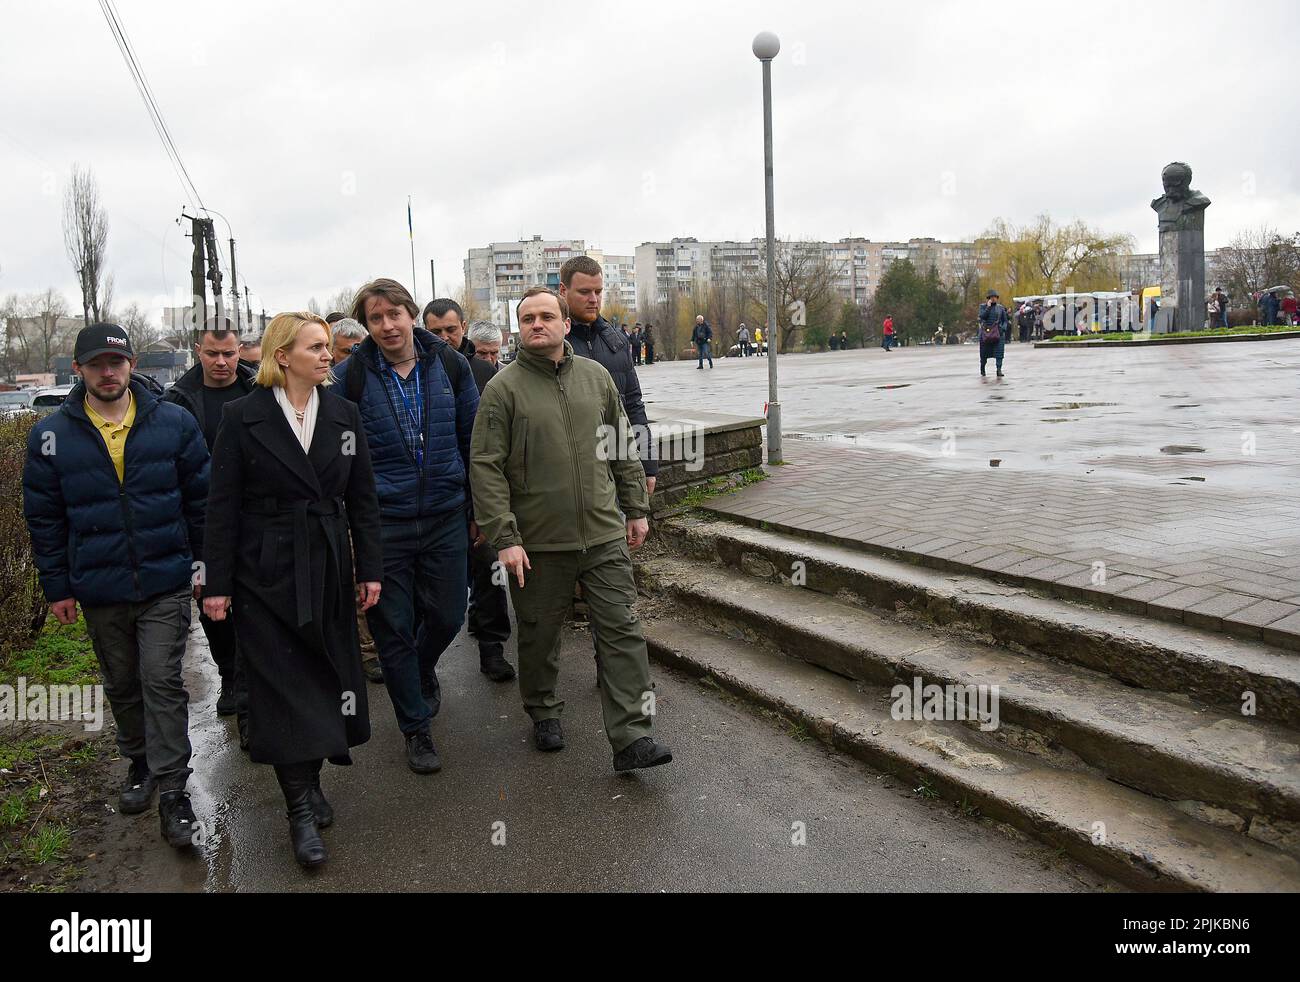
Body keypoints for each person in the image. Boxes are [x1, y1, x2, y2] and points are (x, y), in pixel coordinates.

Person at [203, 312, 383, 869]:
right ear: (283, 356)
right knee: (281, 686)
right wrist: (217, 583)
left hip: (327, 564)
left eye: (329, 346)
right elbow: (221, 505)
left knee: (326, 678)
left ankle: (311, 777)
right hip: (265, 571)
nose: (328, 355)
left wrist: (369, 569)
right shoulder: (243, 416)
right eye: (316, 347)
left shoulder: (344, 414)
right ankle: (299, 808)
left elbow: (364, 501)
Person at [470, 287, 673, 772]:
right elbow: (485, 466)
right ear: (517, 328)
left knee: (622, 629)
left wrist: (636, 508)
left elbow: (622, 446)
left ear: (564, 323)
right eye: (526, 318)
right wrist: (506, 538)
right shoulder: (503, 389)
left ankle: (631, 738)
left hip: (602, 534)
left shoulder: (597, 378)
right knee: (540, 635)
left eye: (545, 316)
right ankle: (542, 709)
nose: (536, 324)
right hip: (538, 543)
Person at [23, 324, 209, 850]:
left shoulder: (172, 422)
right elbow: (45, 517)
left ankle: (174, 789)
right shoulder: (52, 436)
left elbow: (202, 500)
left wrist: (204, 567)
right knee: (123, 682)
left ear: (131, 366)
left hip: (164, 580)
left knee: (161, 679)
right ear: (78, 370)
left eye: (117, 362)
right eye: (97, 364)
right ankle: (139, 762)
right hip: (99, 584)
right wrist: (57, 586)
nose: (109, 372)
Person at [338, 278, 478, 774]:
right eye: (376, 319)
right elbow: (341, 456)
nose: (387, 326)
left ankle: (421, 668)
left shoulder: (449, 363)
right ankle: (415, 728)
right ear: (367, 325)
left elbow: (472, 439)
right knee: (391, 627)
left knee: (446, 615)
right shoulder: (350, 376)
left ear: (410, 314)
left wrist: (477, 506)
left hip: (445, 513)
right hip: (384, 524)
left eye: (394, 315)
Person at [162, 317, 257, 747]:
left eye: (229, 353)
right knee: (212, 602)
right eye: (212, 354)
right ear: (197, 352)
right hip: (201, 520)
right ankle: (229, 673)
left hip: (256, 517)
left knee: (256, 602)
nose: (222, 362)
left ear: (240, 351)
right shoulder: (179, 400)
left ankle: (254, 684)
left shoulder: (259, 390)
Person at [557, 256, 658, 494]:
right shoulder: (552, 345)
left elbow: (633, 406)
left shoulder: (617, 342)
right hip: (570, 476)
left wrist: (648, 464)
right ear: (563, 290)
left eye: (598, 291)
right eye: (584, 292)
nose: (593, 299)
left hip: (617, 469)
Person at [462, 321, 516, 683]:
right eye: (483, 353)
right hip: (456, 490)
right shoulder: (448, 374)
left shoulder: (503, 380)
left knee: (490, 566)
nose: (490, 358)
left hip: (492, 489)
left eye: (495, 352)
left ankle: (492, 646)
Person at [424, 297, 495, 397]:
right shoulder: (417, 370)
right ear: (425, 331)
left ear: (463, 327)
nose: (444, 337)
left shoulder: (486, 370)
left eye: (451, 330)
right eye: (436, 332)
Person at [978, 290, 1009, 377]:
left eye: (995, 297)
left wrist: (1003, 328)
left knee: (999, 353)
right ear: (988, 298)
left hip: (998, 334)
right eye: (991, 297)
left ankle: (999, 369)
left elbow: (1005, 320)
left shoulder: (1000, 308)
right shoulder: (983, 307)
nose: (993, 298)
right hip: (985, 334)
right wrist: (988, 307)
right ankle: (982, 368)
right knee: (984, 353)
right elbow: (982, 316)